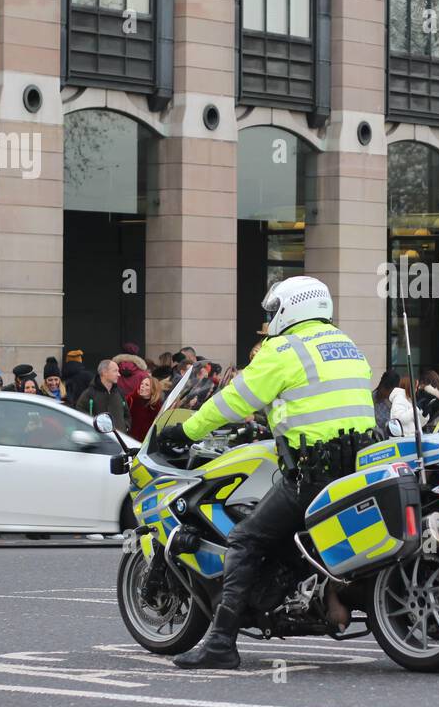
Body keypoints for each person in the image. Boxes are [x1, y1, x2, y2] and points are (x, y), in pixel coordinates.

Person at [158, 276, 376, 670]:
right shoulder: (346, 345)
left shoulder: (284, 349)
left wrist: (186, 430)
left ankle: (221, 643)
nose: (272, 319)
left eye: (274, 311)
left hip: (314, 473)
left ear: (292, 307)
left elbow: (235, 398)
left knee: (245, 538)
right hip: (359, 467)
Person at [76, 359, 131, 433]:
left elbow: (127, 414)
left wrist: (126, 426)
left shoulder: (119, 392)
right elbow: (80, 414)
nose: (119, 374)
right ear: (104, 372)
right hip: (99, 440)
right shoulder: (89, 394)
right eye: (115, 371)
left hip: (119, 440)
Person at [128, 374, 164, 441]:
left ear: (153, 389)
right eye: (142, 384)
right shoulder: (131, 399)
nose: (142, 386)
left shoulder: (157, 407)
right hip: (128, 438)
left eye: (146, 385)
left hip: (145, 442)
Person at [372, 369, 400, 434]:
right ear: (382, 386)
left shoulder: (395, 402)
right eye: (389, 391)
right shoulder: (370, 400)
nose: (389, 394)